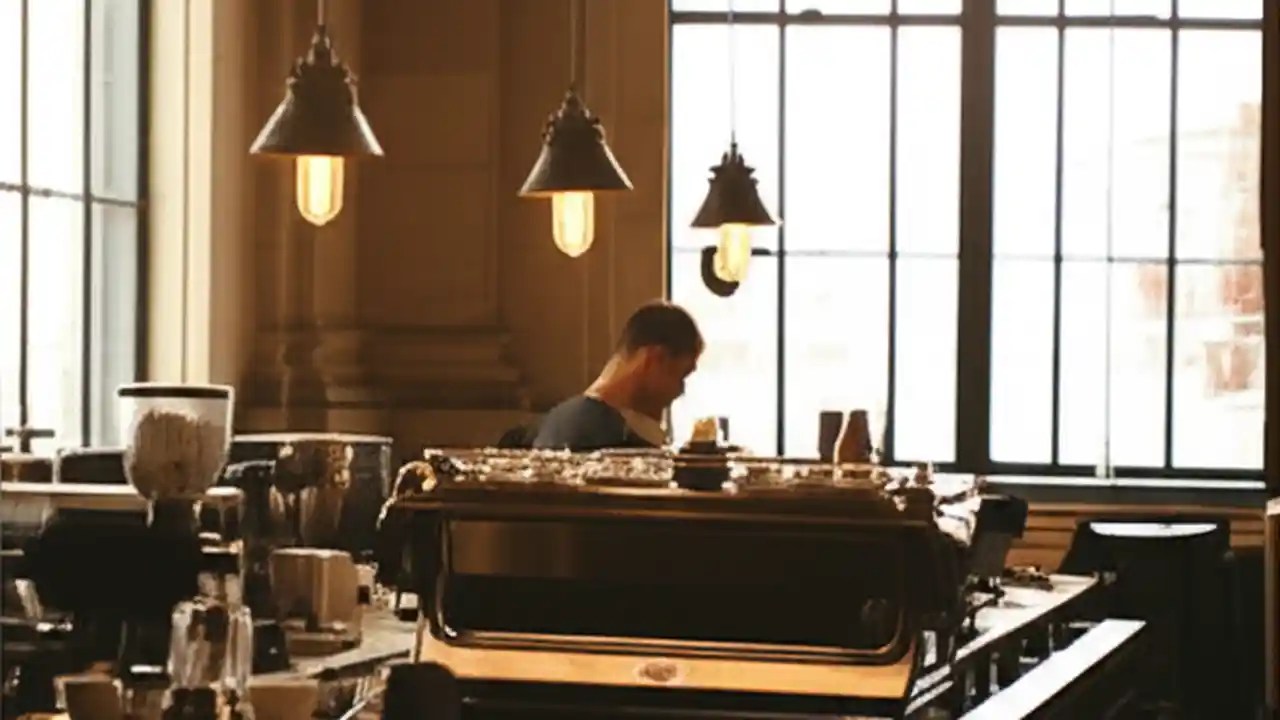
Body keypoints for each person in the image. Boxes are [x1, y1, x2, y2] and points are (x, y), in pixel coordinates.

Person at [533, 300, 703, 451]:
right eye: (681, 376)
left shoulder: (564, 420)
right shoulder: (598, 437)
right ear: (654, 359)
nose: (680, 391)